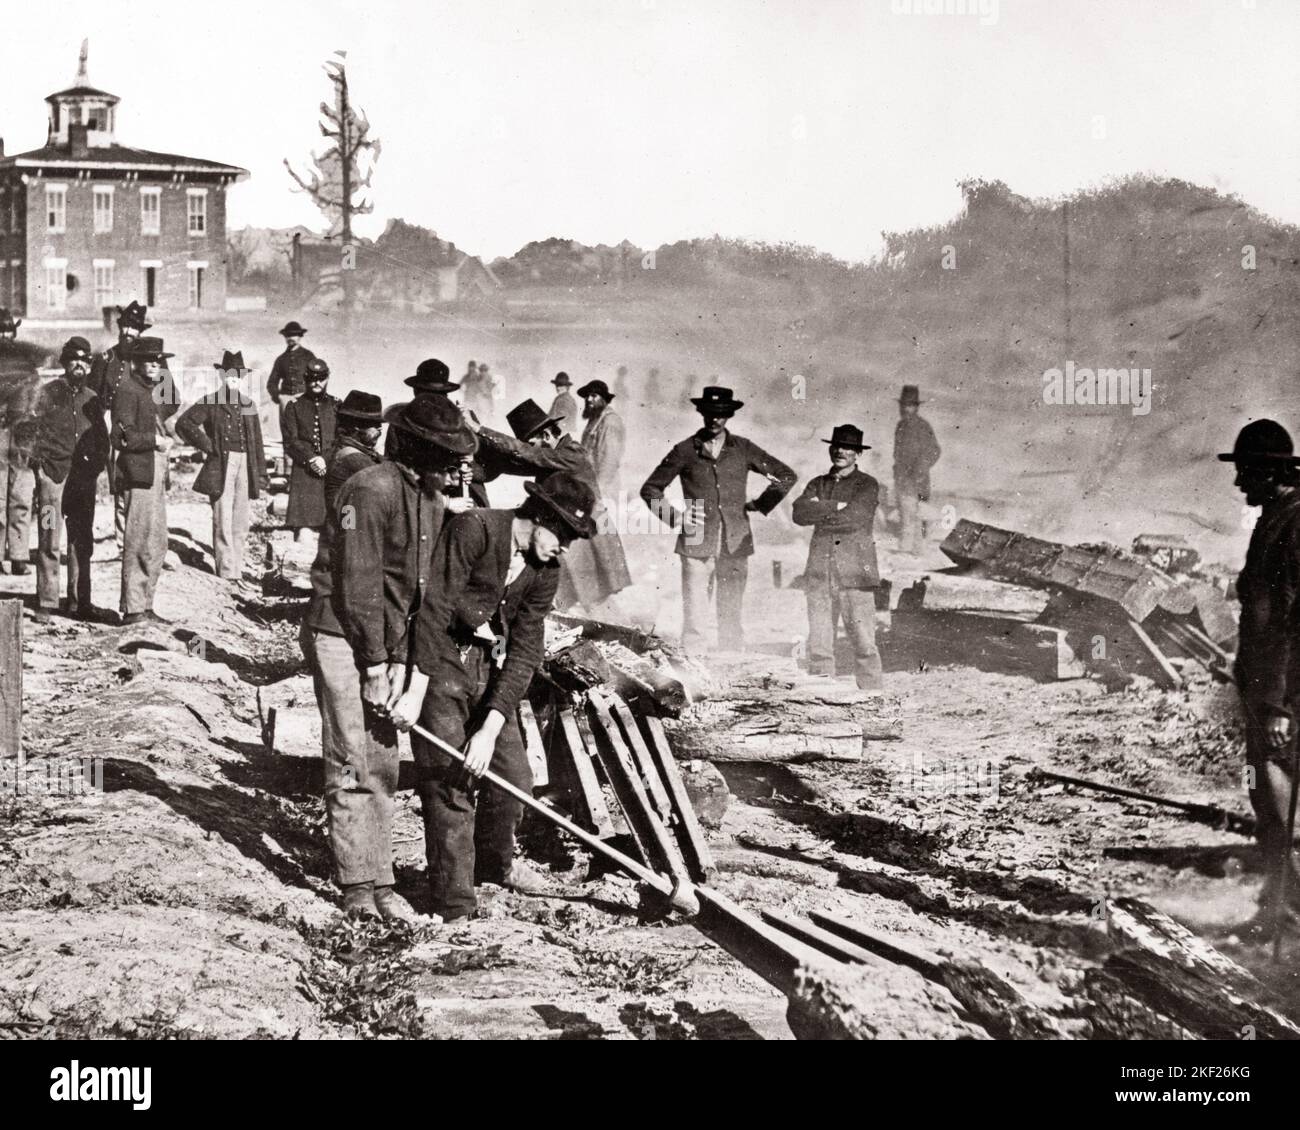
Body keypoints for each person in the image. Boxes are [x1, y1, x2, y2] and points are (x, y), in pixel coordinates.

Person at [406, 470, 597, 921]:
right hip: (441, 660)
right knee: (451, 779)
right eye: (564, 534)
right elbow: (432, 609)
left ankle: (495, 867)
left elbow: (527, 648)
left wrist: (491, 726)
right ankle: (454, 900)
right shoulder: (476, 528)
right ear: (539, 516)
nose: (565, 547)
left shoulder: (544, 569)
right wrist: (417, 685)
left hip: (489, 669)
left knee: (514, 779)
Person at [324, 397, 477, 920]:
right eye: (442, 453)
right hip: (344, 636)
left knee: (384, 764)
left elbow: (418, 595)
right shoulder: (371, 489)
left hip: (384, 643)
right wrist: (372, 665)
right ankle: (357, 889)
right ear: (415, 447)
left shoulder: (429, 499)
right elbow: (358, 585)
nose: (451, 464)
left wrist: (402, 666)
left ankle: (381, 881)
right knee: (352, 759)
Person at [640, 385, 796, 653]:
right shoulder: (685, 450)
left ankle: (734, 671)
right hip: (695, 542)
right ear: (701, 413)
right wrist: (677, 518)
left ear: (729, 416)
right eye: (709, 413)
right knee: (694, 622)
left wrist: (760, 504)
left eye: (721, 413)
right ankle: (694, 678)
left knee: (731, 617)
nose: (714, 419)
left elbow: (786, 476)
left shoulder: (744, 448)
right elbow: (650, 489)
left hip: (735, 544)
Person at [1219, 420, 1300, 927]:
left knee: (1274, 797)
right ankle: (1280, 903)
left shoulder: (1288, 526)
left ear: (1271, 473)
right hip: (1277, 686)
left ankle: (1285, 913)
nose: (1239, 484)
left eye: (1246, 472)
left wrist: (1272, 704)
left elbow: (1280, 624)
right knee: (1268, 793)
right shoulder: (1281, 516)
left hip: (1282, 692)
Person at [471, 399, 631, 611]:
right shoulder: (552, 455)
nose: (529, 448)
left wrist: (480, 429)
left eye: (530, 442)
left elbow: (525, 453)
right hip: (576, 531)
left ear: (546, 436)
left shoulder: (572, 454)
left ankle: (627, 639)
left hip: (588, 533)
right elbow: (513, 460)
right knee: (572, 598)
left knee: (595, 600)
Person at [791, 424, 883, 690]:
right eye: (837, 446)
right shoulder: (818, 483)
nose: (841, 451)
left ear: (858, 454)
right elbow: (799, 513)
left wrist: (819, 512)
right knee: (819, 645)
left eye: (849, 448)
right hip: (820, 573)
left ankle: (873, 702)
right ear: (831, 449)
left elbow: (856, 519)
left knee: (864, 643)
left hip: (855, 575)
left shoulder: (867, 485)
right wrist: (834, 506)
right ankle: (823, 704)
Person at [32, 337, 109, 622]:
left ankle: (79, 602)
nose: (80, 364)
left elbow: (102, 441)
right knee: (49, 537)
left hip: (82, 482)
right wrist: (40, 465)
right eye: (74, 359)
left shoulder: (93, 399)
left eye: (85, 360)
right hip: (52, 478)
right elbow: (29, 430)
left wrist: (95, 469)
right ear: (65, 363)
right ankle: (47, 601)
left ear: (89, 365)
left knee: (81, 540)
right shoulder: (48, 393)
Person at [175, 350, 268, 582]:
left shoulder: (248, 404)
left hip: (245, 464)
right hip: (222, 464)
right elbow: (184, 423)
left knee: (241, 519)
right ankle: (227, 572)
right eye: (229, 374)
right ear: (222, 376)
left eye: (238, 375)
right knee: (223, 517)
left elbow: (257, 440)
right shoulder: (211, 401)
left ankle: (237, 570)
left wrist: (262, 472)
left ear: (242, 378)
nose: (233, 379)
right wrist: (208, 446)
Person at [90, 301, 170, 556]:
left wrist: (153, 414)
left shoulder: (152, 360)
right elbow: (92, 394)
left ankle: (151, 544)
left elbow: (172, 397)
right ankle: (124, 543)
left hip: (148, 428)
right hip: (116, 427)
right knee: (121, 484)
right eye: (125, 326)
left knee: (152, 487)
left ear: (140, 331)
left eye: (134, 328)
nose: (128, 333)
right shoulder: (107, 358)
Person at [111, 337, 178, 625]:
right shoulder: (128, 390)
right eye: (149, 359)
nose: (155, 364)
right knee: (138, 541)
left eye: (158, 360)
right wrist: (156, 440)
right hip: (138, 474)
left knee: (157, 541)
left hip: (153, 473)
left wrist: (165, 372)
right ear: (135, 363)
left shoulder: (151, 390)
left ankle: (146, 605)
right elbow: (121, 437)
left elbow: (174, 401)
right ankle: (134, 609)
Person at [403, 358, 488, 507]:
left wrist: (469, 470)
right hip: (421, 502)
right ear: (416, 393)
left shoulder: (465, 419)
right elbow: (396, 471)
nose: (432, 402)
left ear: (445, 395)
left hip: (463, 501)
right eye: (426, 395)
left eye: (437, 395)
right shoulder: (402, 423)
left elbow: (486, 469)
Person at [281, 358, 338, 538]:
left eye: (321, 378)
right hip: (305, 472)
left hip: (331, 469)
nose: (316, 383)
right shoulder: (294, 406)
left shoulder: (337, 405)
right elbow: (290, 441)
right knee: (305, 533)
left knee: (336, 525)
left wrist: (325, 459)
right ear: (306, 379)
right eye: (312, 379)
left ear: (327, 378)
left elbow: (341, 438)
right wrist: (312, 459)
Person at [893, 384, 940, 555]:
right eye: (903, 405)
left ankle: (911, 553)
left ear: (916, 407)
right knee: (905, 516)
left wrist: (921, 468)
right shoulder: (900, 426)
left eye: (910, 405)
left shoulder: (922, 426)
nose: (905, 409)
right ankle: (910, 553)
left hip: (917, 481)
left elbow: (935, 450)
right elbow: (897, 454)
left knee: (915, 518)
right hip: (902, 481)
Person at [578, 378, 624, 497]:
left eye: (594, 396)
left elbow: (610, 461)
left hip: (604, 489)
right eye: (587, 396)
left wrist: (598, 493)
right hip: (590, 485)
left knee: (601, 516)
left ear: (603, 399)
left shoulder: (610, 421)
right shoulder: (594, 420)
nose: (588, 399)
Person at [266, 321, 317, 409]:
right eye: (287, 335)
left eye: (293, 335)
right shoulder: (281, 359)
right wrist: (279, 397)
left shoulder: (308, 356)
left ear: (300, 336)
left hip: (305, 399)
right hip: (286, 401)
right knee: (287, 423)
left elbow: (318, 377)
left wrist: (311, 395)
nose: (290, 338)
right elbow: (272, 383)